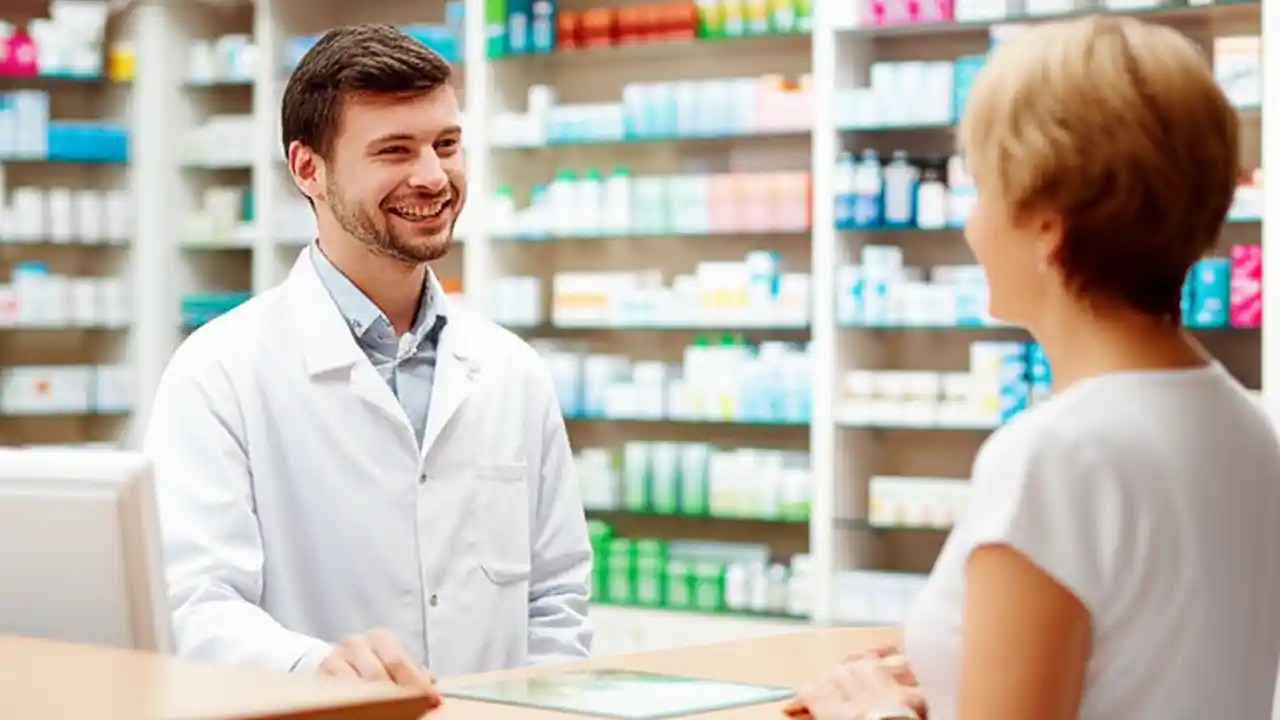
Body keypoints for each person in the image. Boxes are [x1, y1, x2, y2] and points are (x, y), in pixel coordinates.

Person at [787, 15, 1280, 720]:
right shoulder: (1243, 426)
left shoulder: (1058, 456)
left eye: (983, 189)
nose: (969, 224)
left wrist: (866, 711)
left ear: (1047, 225)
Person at [144, 23, 593, 700]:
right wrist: (312, 667)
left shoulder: (509, 370)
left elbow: (557, 600)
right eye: (394, 150)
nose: (433, 177)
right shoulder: (219, 372)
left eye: (446, 144)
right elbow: (191, 603)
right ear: (307, 169)